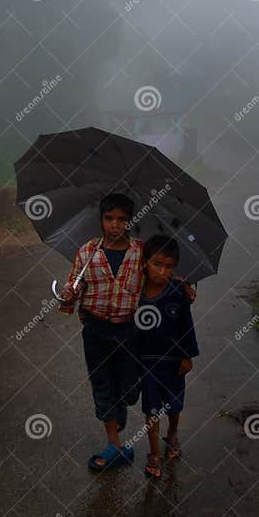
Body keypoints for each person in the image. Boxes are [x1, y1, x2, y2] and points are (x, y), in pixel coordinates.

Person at [59, 192, 197, 471]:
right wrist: (68, 294)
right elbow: (73, 288)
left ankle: (118, 409)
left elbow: (159, 277)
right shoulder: (87, 252)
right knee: (102, 385)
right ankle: (115, 444)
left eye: (122, 219)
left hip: (129, 332)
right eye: (109, 218)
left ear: (130, 221)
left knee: (130, 389)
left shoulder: (139, 252)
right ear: (101, 220)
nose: (115, 224)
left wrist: (181, 284)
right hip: (96, 330)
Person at [136, 234, 199, 479]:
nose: (163, 272)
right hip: (147, 362)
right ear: (145, 263)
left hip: (173, 361)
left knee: (173, 405)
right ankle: (153, 453)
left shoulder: (177, 292)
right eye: (157, 264)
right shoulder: (136, 291)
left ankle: (172, 433)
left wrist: (187, 356)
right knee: (151, 410)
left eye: (169, 266)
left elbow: (186, 326)